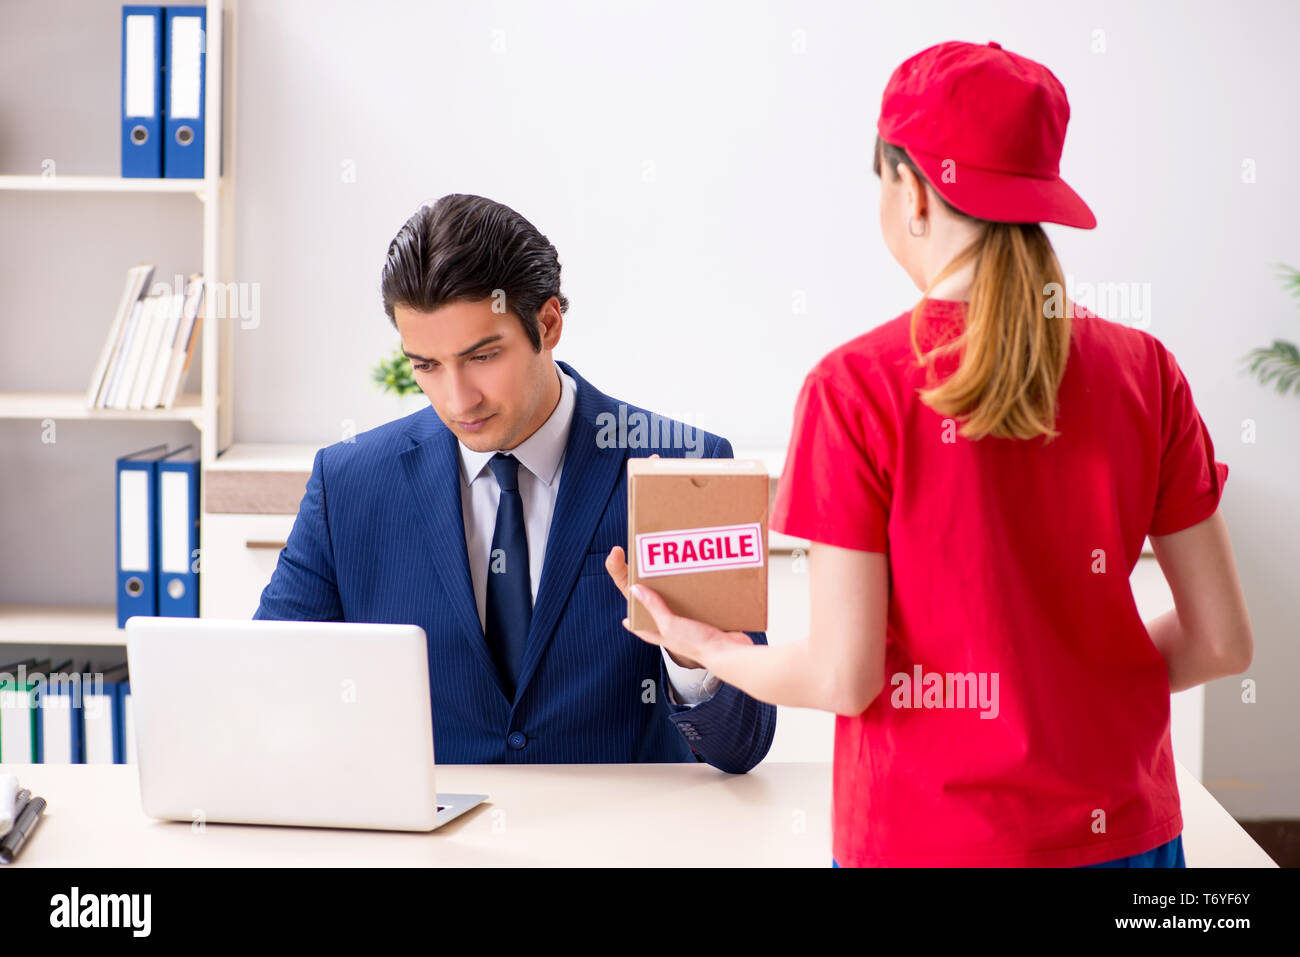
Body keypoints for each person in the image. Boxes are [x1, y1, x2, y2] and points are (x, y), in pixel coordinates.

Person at [619, 41, 1253, 865]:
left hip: (924, 843)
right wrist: (1075, 692)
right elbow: (1221, 643)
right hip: (1124, 835)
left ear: (911, 189)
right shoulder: (1146, 371)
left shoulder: (854, 387)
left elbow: (845, 676)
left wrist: (712, 650)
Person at [256, 194, 775, 773]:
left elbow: (741, 746)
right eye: (426, 365)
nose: (458, 400)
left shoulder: (685, 468)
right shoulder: (350, 484)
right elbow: (272, 688)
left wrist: (689, 653)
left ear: (548, 324)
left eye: (482, 356)